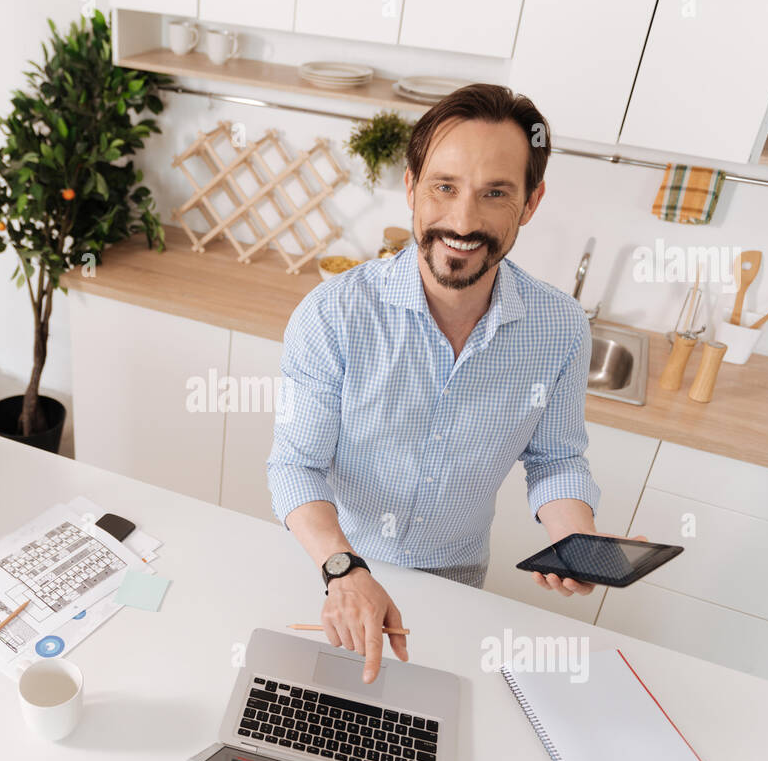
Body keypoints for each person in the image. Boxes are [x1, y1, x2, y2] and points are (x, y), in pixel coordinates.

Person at [267, 83, 634, 684]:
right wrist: (343, 570)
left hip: (456, 576)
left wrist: (576, 538)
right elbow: (294, 466)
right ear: (411, 187)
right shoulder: (333, 313)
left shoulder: (560, 328)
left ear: (531, 202)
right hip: (331, 560)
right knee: (320, 710)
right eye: (444, 187)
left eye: (495, 193)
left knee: (429, 719)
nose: (463, 221)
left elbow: (557, 459)